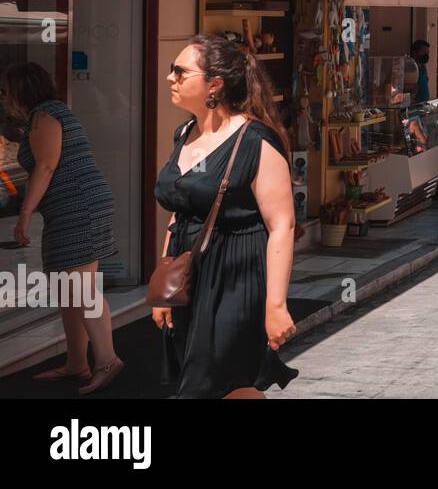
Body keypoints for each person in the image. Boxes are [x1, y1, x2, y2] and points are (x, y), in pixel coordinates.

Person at [155, 36, 297, 398]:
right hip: (191, 274)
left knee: (207, 382)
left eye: (180, 72)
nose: (170, 78)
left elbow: (282, 225)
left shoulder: (256, 140)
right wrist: (165, 283)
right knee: (237, 384)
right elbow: (179, 212)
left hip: (238, 274)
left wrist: (276, 305)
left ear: (214, 84)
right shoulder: (184, 134)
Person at [7, 62, 123, 394]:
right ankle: (77, 363)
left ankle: (107, 360)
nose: (4, 99)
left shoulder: (45, 116)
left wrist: (24, 215)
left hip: (78, 206)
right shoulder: (49, 113)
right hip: (75, 205)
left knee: (80, 286)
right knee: (68, 286)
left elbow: (45, 166)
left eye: (7, 91)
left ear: (20, 92)